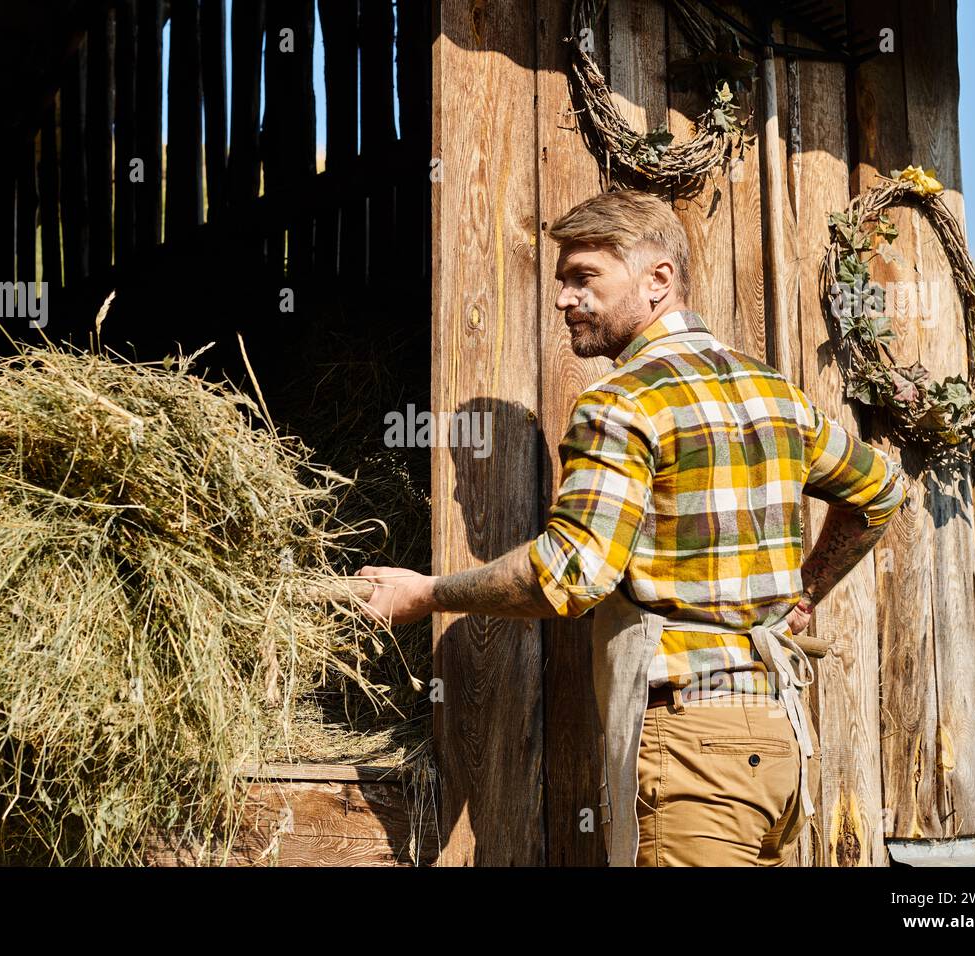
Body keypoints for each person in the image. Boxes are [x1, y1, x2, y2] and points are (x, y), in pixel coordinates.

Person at [355, 188, 908, 866]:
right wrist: (806, 593)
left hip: (691, 754)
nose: (563, 298)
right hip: (777, 743)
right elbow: (877, 491)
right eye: (561, 280)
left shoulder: (620, 403)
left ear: (658, 280)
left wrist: (430, 592)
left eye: (584, 277)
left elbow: (570, 575)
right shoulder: (775, 394)